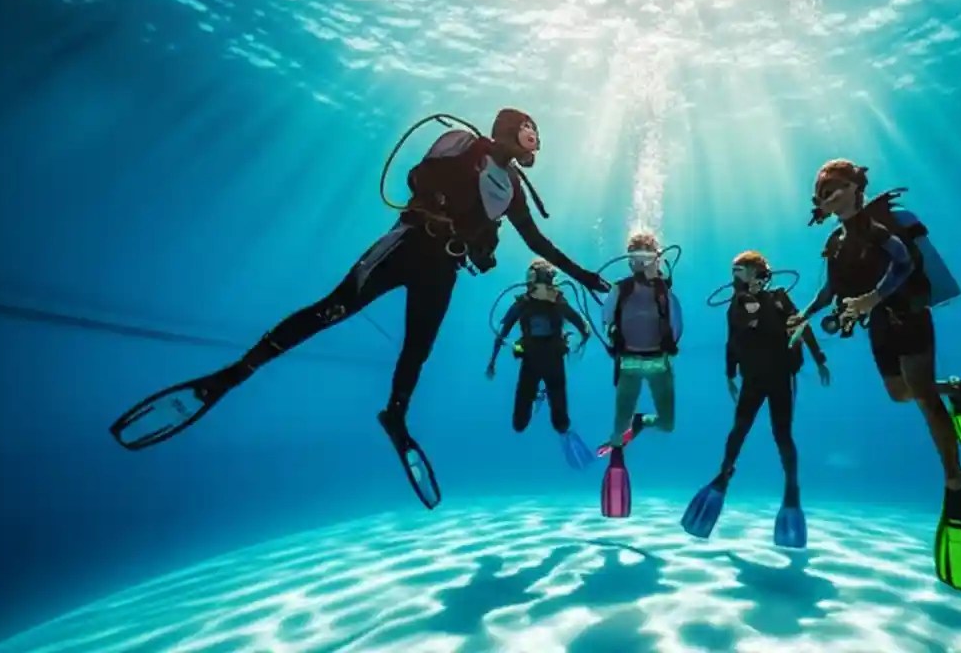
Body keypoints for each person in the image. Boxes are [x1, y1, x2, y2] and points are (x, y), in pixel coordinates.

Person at [109, 108, 611, 511]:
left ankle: (396, 415)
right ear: (509, 129)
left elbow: (536, 241)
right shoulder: (466, 145)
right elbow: (419, 175)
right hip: (407, 245)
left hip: (443, 269)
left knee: (418, 348)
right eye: (529, 128)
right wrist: (442, 200)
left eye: (536, 132)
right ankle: (235, 373)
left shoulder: (514, 189)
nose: (535, 138)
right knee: (333, 309)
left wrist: (584, 274)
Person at [786, 158, 961, 592]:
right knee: (900, 394)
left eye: (834, 188)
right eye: (821, 193)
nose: (827, 197)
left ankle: (955, 483)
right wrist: (805, 315)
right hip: (879, 324)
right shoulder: (836, 242)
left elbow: (903, 264)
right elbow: (829, 290)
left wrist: (871, 299)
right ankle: (955, 390)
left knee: (922, 396)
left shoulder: (876, 227)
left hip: (909, 316)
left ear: (855, 187)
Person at [681, 251, 830, 544]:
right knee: (739, 429)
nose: (734, 276)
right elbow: (732, 340)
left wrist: (819, 357)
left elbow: (802, 326)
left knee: (782, 434)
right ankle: (724, 475)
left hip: (779, 376)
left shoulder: (779, 298)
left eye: (740, 270)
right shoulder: (736, 305)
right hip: (752, 378)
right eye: (733, 271)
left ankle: (791, 488)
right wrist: (729, 374)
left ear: (756, 272)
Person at [598, 232, 683, 518]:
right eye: (635, 258)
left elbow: (677, 323)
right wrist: (613, 335)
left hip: (659, 363)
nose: (640, 264)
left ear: (657, 259)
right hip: (629, 363)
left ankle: (641, 422)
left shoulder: (665, 291)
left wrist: (671, 344)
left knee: (667, 424)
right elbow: (606, 319)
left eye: (646, 258)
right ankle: (618, 452)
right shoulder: (619, 289)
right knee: (617, 429)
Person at [486, 259, 593, 469]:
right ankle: (541, 396)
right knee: (519, 424)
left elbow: (583, 327)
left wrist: (581, 339)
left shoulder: (557, 303)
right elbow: (502, 333)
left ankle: (545, 400)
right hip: (532, 362)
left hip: (551, 362)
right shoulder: (523, 304)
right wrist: (492, 361)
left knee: (561, 424)